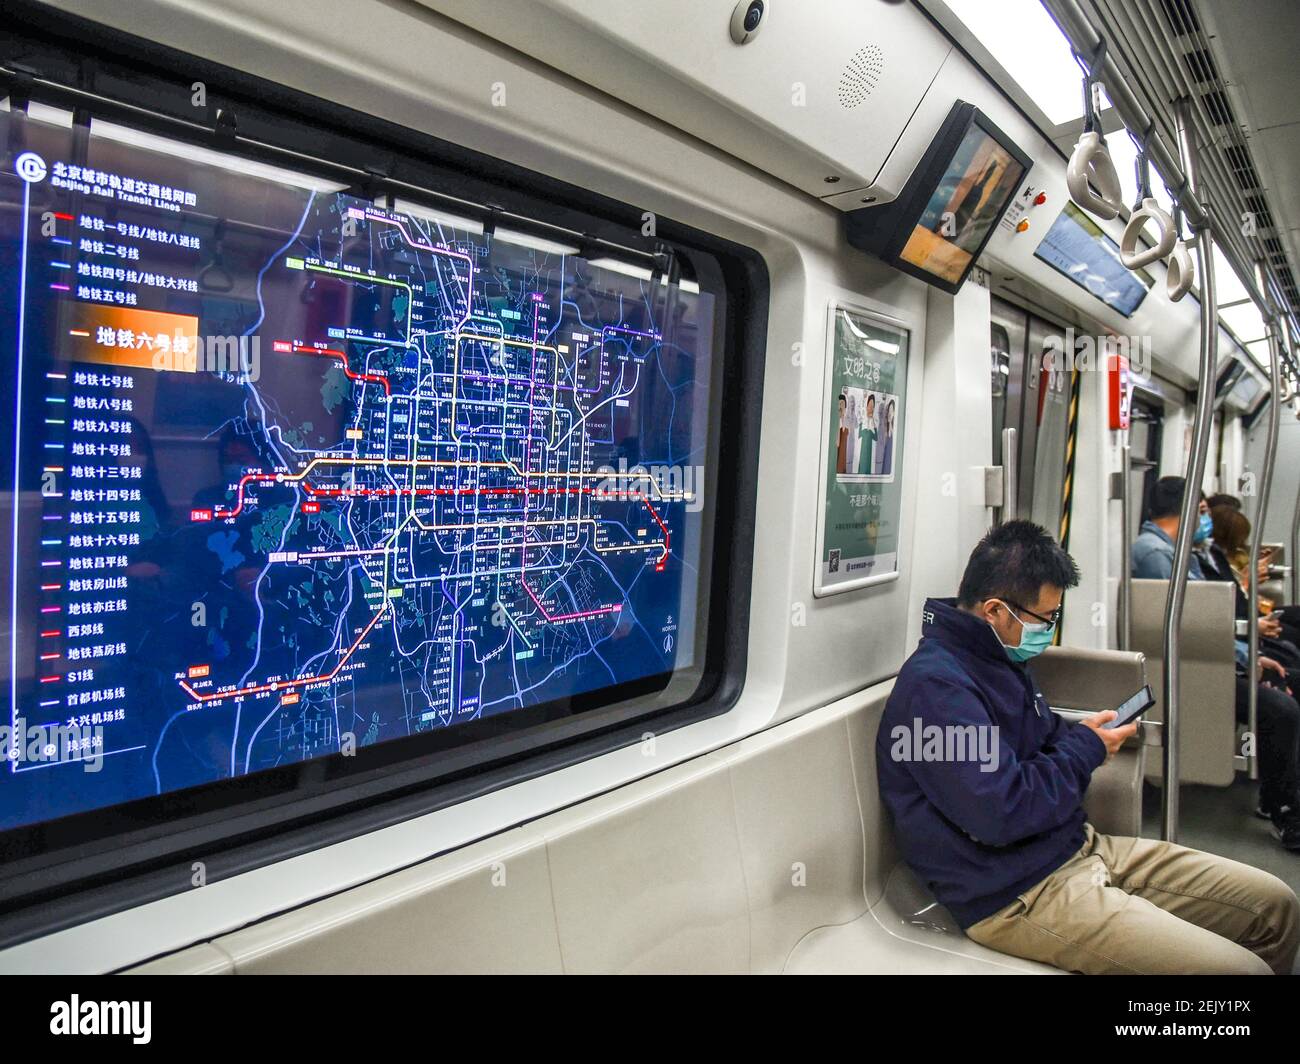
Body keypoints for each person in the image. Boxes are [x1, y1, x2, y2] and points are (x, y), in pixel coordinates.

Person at [879, 520, 1299, 974]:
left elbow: (1032, 741)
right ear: (995, 611)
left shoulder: (996, 659)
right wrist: (1084, 748)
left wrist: (1082, 734)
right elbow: (1000, 812)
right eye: (1045, 618)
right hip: (1014, 894)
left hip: (1077, 847)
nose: (1050, 629)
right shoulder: (936, 689)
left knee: (1275, 907)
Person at [1131, 475, 1208, 579]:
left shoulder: (1167, 550)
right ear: (1190, 511)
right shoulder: (1156, 554)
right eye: (1200, 511)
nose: (1201, 518)